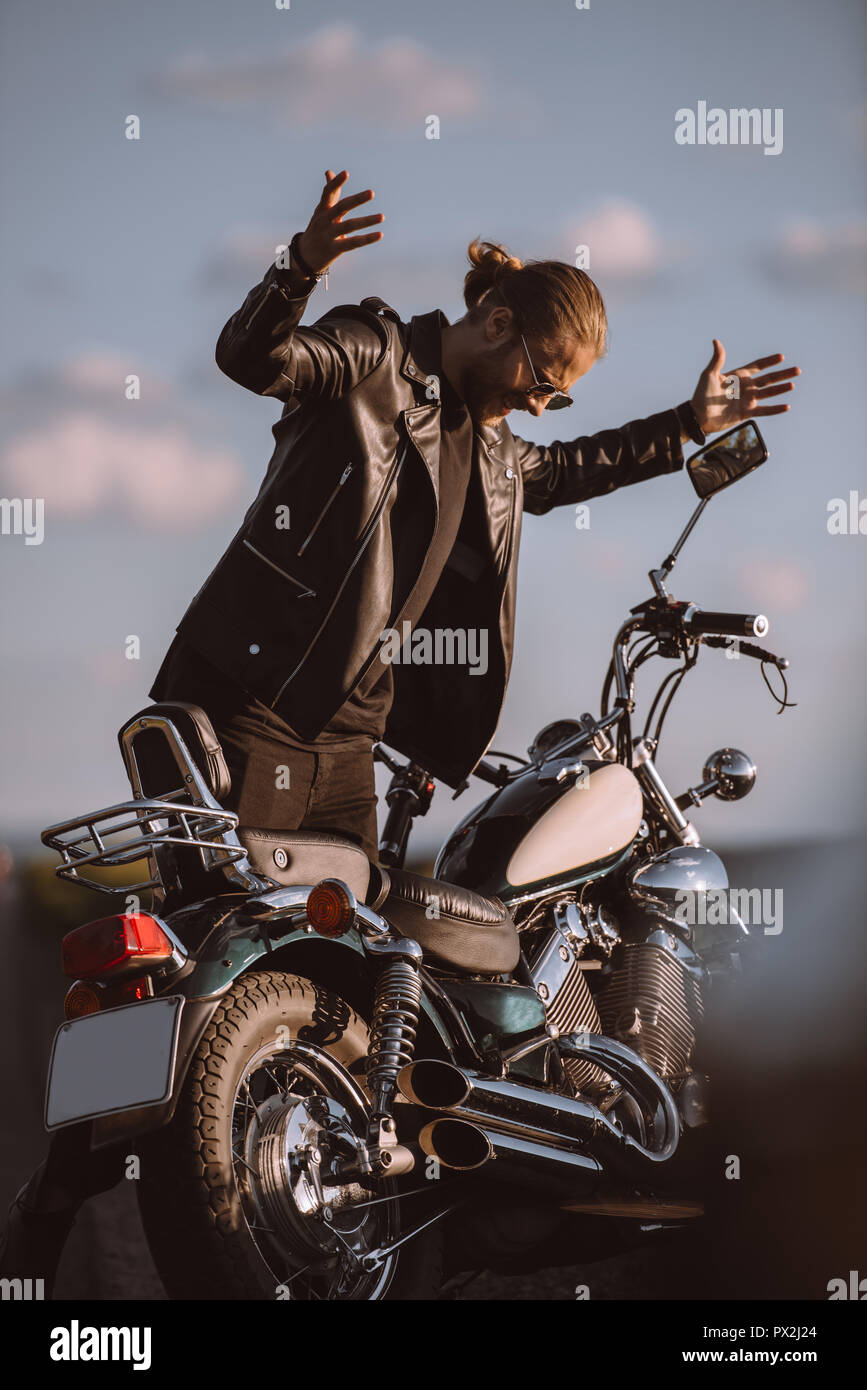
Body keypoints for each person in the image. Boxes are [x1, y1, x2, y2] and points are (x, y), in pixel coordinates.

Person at [0, 168, 800, 1293]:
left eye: (560, 394)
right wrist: (299, 267)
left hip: (349, 748)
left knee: (343, 997)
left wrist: (687, 428)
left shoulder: (496, 447)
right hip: (259, 710)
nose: (544, 405)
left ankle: (367, 1207)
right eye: (543, 378)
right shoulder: (374, 357)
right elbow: (253, 359)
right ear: (496, 322)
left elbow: (572, 470)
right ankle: (58, 1218)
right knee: (228, 968)